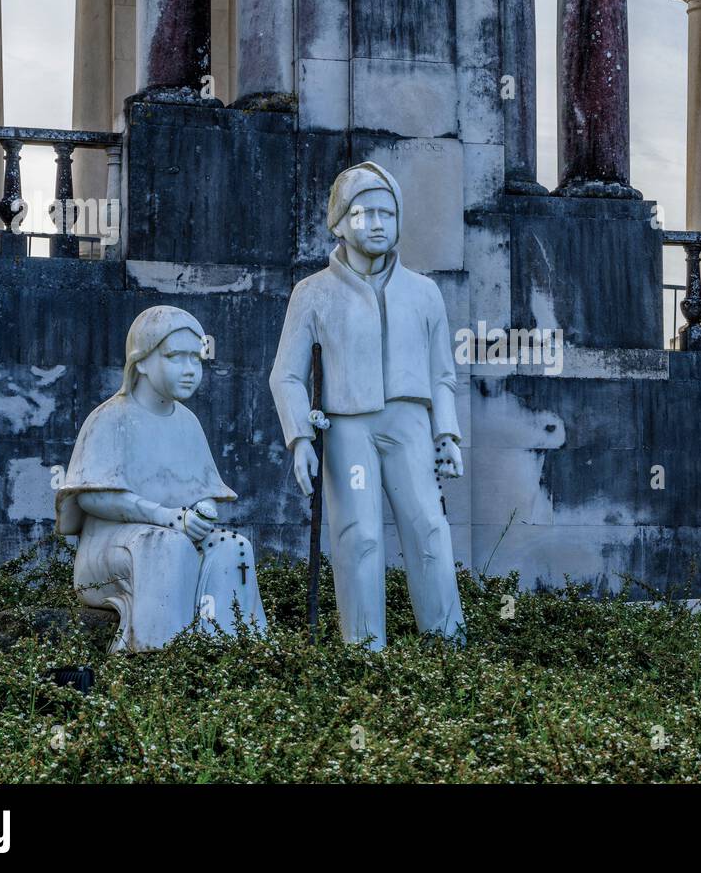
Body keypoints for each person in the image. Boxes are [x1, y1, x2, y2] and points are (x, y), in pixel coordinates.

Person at [270, 161, 466, 649]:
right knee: (359, 536)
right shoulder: (312, 293)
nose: (377, 223)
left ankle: (449, 648)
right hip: (345, 429)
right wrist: (299, 438)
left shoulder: (424, 294)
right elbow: (287, 375)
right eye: (363, 213)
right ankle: (363, 652)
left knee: (429, 529)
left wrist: (447, 434)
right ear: (339, 221)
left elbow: (443, 374)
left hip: (409, 425)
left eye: (386, 213)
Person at [57, 305, 268, 652]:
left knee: (234, 548)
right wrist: (168, 518)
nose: (189, 371)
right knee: (168, 547)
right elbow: (92, 497)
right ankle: (155, 659)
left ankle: (228, 656)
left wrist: (200, 514)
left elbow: (206, 492)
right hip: (111, 550)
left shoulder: (188, 423)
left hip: (179, 537)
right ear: (141, 361)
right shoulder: (110, 419)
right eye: (174, 357)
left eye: (195, 359)